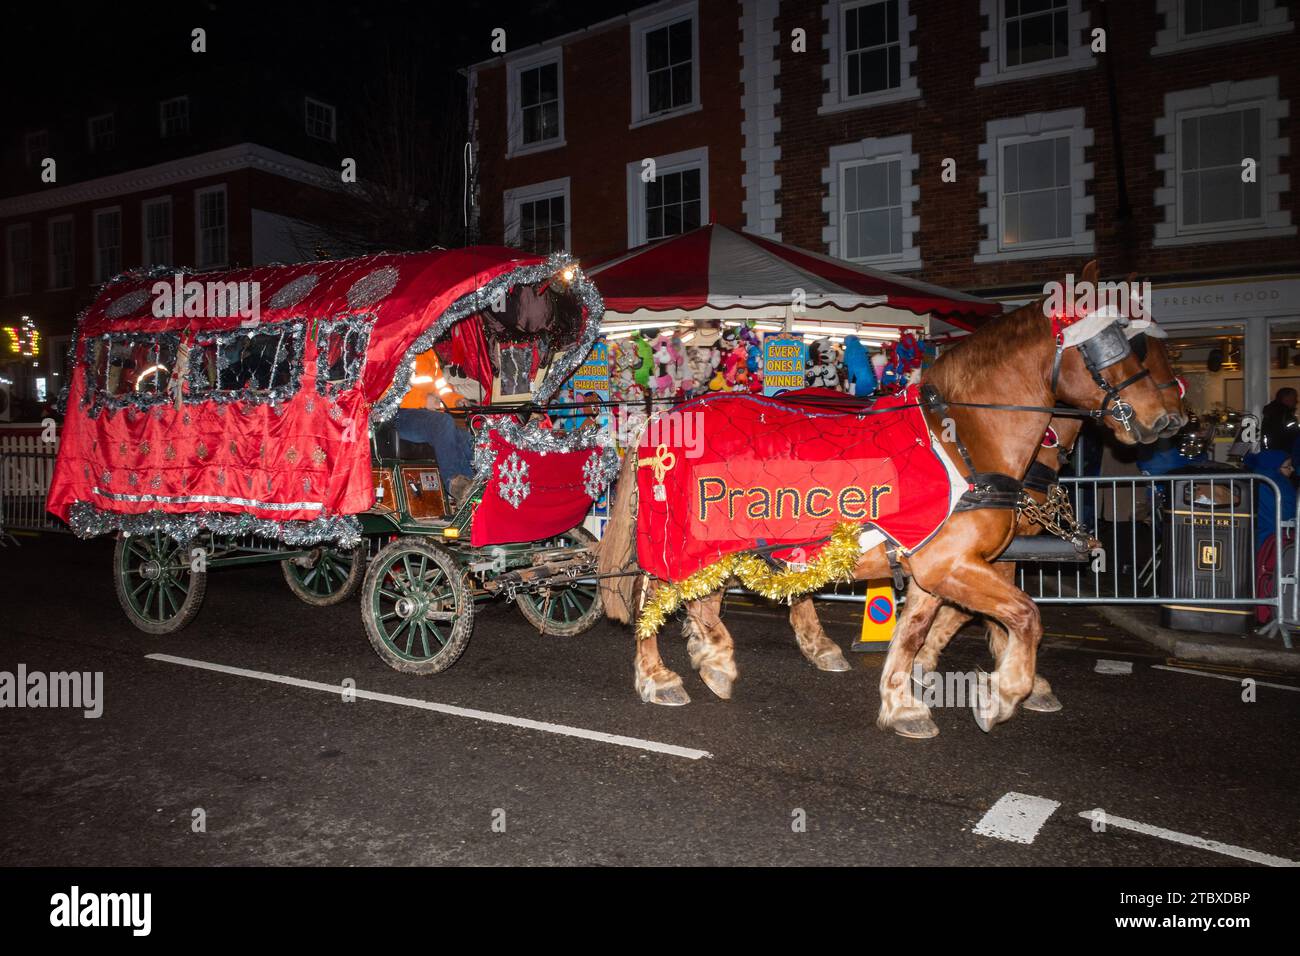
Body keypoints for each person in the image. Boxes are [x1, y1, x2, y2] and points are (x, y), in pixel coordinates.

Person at [395, 350, 475, 503]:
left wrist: (456, 400)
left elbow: (441, 386)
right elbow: (386, 391)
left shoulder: (429, 353)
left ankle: (473, 486)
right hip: (401, 415)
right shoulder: (398, 347)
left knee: (463, 435)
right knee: (443, 422)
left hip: (426, 416)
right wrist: (423, 401)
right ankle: (454, 482)